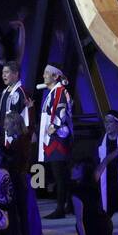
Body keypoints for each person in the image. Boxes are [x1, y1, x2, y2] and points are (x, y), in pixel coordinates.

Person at [38, 64, 73, 218]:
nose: (44, 76)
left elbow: (62, 109)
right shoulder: (54, 91)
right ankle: (68, 205)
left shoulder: (59, 91)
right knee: (62, 174)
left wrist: (54, 125)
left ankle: (60, 208)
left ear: (55, 76)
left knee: (60, 174)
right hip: (54, 137)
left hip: (57, 137)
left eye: (47, 73)